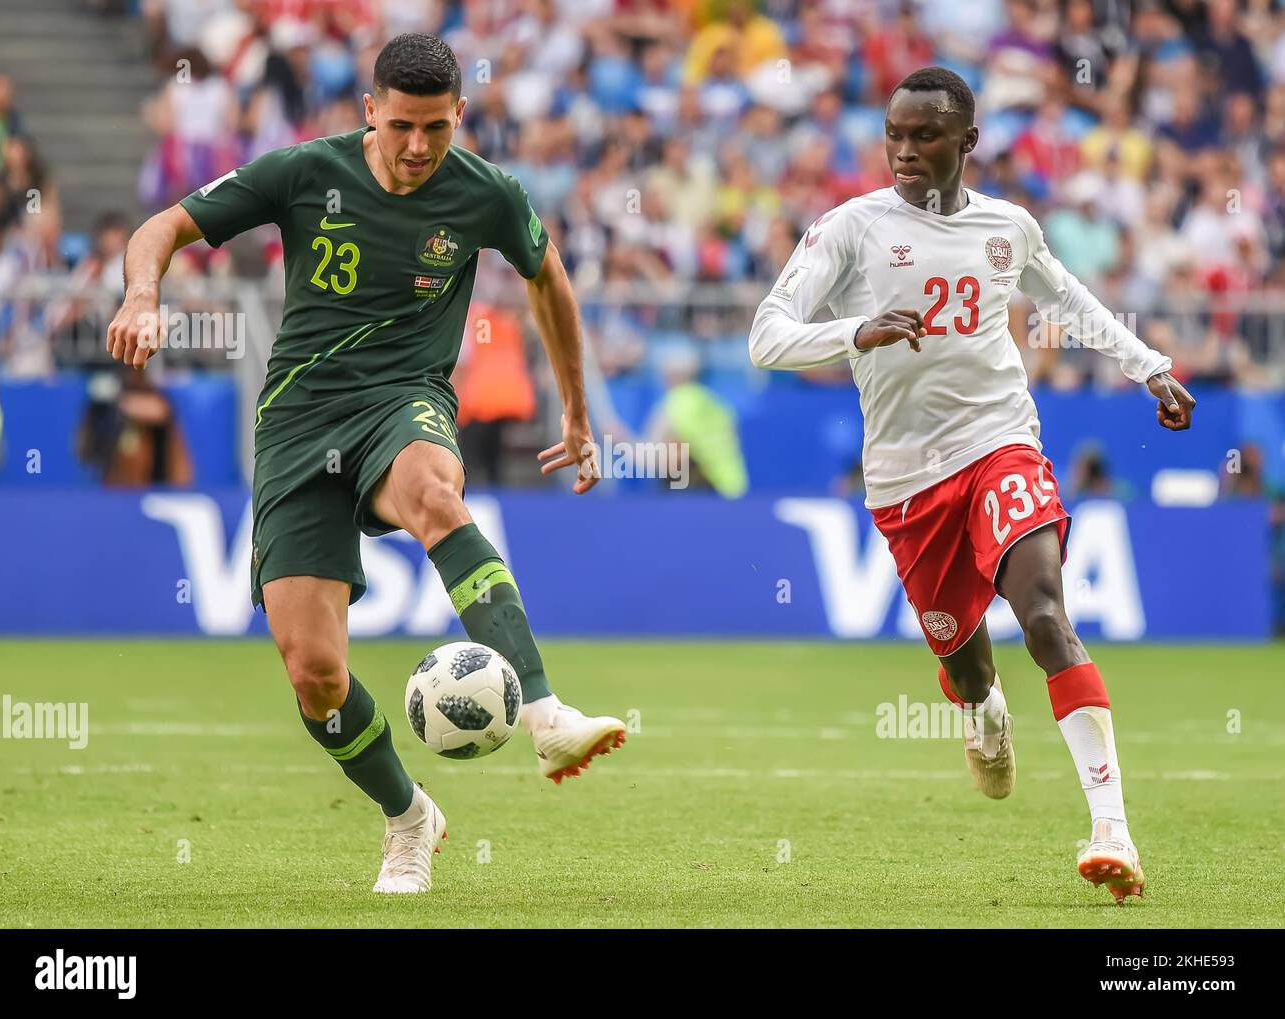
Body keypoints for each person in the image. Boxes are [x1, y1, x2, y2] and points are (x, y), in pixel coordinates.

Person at [105, 33, 625, 894]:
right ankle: (409, 818)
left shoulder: (487, 193)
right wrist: (142, 291)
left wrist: (574, 407)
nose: (419, 148)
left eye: (437, 128)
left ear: (461, 114)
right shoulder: (304, 172)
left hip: (404, 397)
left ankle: (544, 711)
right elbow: (163, 226)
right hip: (299, 422)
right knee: (314, 674)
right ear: (369, 111)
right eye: (402, 127)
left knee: (434, 492)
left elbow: (549, 278)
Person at [748, 67, 1196, 905]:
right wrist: (858, 329)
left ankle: (1111, 830)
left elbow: (1068, 298)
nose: (906, 151)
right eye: (895, 136)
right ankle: (985, 714)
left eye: (925, 136)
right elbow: (765, 338)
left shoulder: (1008, 228)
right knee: (966, 664)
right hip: (907, 479)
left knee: (1047, 617)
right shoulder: (851, 228)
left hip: (1000, 443)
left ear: (969, 141)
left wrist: (1150, 368)